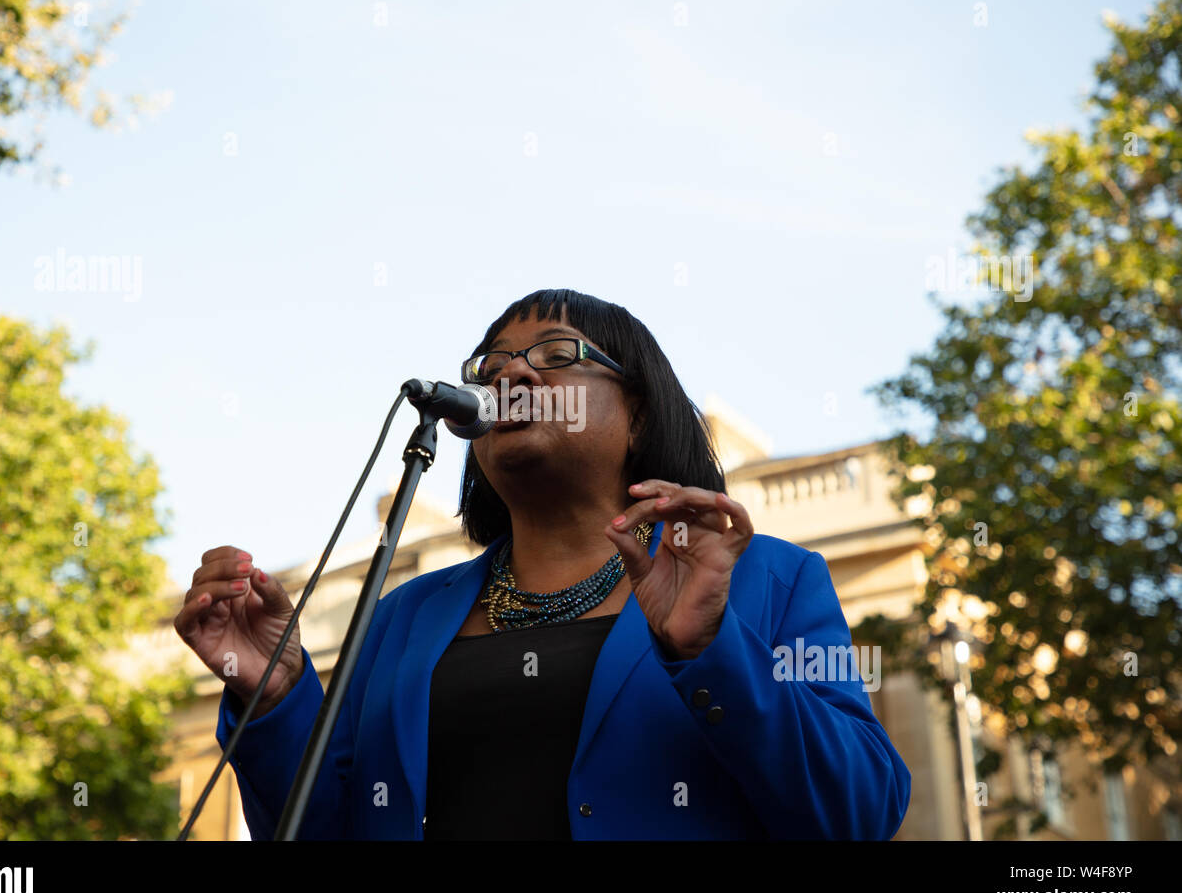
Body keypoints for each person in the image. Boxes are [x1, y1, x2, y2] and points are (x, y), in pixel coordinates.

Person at [174, 288, 911, 839]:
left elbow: (861, 811)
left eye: (557, 357)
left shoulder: (773, 581)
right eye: (490, 367)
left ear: (641, 413)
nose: (512, 377)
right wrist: (274, 700)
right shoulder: (401, 616)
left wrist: (712, 651)